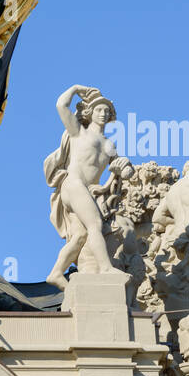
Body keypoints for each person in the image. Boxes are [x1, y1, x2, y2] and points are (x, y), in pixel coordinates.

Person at [43, 85, 132, 287]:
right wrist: (75, 89)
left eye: (107, 111)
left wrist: (124, 169)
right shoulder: (78, 132)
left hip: (87, 192)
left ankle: (56, 273)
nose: (103, 113)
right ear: (90, 112)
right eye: (99, 110)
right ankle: (106, 268)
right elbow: (61, 105)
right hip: (73, 184)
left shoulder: (109, 145)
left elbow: (120, 169)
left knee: (81, 236)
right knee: (95, 225)